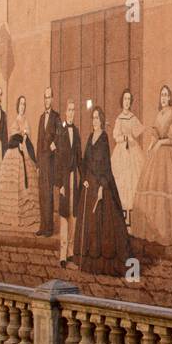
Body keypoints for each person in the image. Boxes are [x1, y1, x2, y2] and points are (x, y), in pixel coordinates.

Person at [74, 106, 131, 276]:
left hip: (101, 186)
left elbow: (106, 165)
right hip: (88, 186)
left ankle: (104, 265)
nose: (95, 121)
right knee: (89, 224)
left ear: (101, 120)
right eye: (93, 118)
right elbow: (85, 161)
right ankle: (87, 262)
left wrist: (101, 187)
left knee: (104, 226)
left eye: (97, 118)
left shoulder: (104, 138)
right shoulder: (90, 137)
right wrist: (84, 178)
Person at [131, 84, 172, 247]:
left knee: (170, 187)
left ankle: (170, 233)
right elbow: (155, 133)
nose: (163, 98)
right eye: (161, 95)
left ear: (170, 98)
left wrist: (160, 142)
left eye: (166, 95)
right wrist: (151, 145)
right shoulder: (159, 115)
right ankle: (155, 232)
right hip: (156, 156)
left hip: (170, 156)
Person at [0, 96, 40, 231]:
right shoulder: (15, 121)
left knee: (27, 184)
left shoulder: (26, 122)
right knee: (13, 184)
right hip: (14, 154)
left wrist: (24, 141)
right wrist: (19, 142)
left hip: (25, 155)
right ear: (17, 106)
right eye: (21, 104)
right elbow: (12, 139)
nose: (22, 106)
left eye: (24, 104)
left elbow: (28, 140)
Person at [111, 89, 145, 224]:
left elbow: (139, 130)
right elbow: (115, 136)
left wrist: (131, 137)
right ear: (122, 101)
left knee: (133, 182)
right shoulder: (119, 118)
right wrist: (124, 137)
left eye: (129, 100)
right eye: (125, 99)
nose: (127, 102)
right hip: (121, 153)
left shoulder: (132, 117)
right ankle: (121, 219)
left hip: (132, 152)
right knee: (121, 184)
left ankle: (132, 220)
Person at [57, 101, 83, 267]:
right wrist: (60, 183)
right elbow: (58, 159)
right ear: (65, 113)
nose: (71, 113)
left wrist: (85, 177)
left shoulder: (77, 132)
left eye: (74, 110)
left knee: (73, 214)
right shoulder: (61, 131)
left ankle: (71, 252)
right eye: (69, 110)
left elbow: (79, 157)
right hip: (64, 178)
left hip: (74, 177)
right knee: (64, 215)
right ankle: (62, 255)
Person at [36, 89, 62, 237]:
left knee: (49, 194)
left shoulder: (56, 117)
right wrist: (38, 165)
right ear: (44, 99)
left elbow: (60, 134)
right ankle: (42, 226)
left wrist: (54, 144)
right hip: (42, 162)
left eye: (49, 97)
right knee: (41, 194)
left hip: (51, 161)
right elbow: (39, 141)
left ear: (52, 99)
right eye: (45, 97)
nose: (47, 100)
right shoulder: (41, 118)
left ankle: (49, 228)